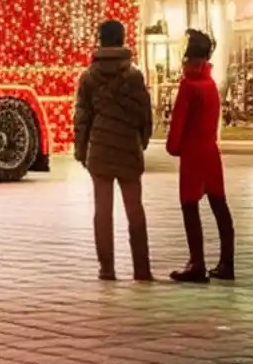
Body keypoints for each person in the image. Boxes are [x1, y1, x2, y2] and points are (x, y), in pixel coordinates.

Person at [73, 20, 153, 282]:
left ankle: (106, 268)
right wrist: (141, 141)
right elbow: (144, 114)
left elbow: (82, 117)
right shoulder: (134, 75)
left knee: (102, 211)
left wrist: (82, 150)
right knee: (135, 208)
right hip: (128, 147)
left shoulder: (88, 76)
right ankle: (142, 269)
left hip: (100, 151)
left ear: (100, 40)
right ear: (122, 39)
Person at [166, 29, 234, 283]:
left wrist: (174, 147)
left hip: (193, 155)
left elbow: (178, 125)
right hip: (210, 152)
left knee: (190, 207)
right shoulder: (211, 85)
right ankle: (227, 261)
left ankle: (197, 262)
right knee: (219, 206)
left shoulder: (188, 86)